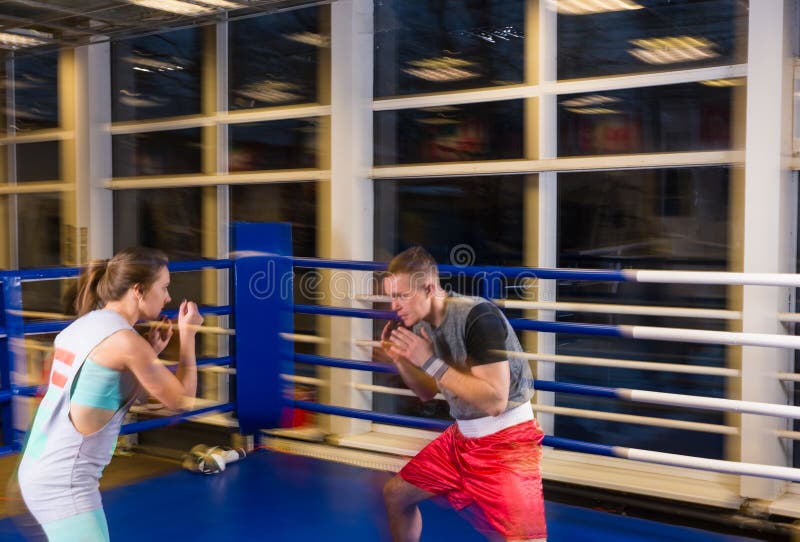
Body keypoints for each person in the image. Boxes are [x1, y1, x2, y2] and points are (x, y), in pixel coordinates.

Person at [15, 247, 203, 541]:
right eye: (164, 287)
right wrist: (188, 335)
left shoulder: (85, 325)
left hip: (41, 466)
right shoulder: (125, 342)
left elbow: (103, 391)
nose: (168, 297)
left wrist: (151, 352)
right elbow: (179, 400)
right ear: (138, 290)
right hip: (64, 483)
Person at [381, 246, 546, 542]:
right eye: (391, 296)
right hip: (461, 440)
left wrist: (429, 361)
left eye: (402, 295)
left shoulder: (477, 317)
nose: (394, 305)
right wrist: (402, 361)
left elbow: (495, 400)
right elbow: (427, 393)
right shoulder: (419, 325)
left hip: (506, 442)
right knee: (396, 495)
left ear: (429, 288)